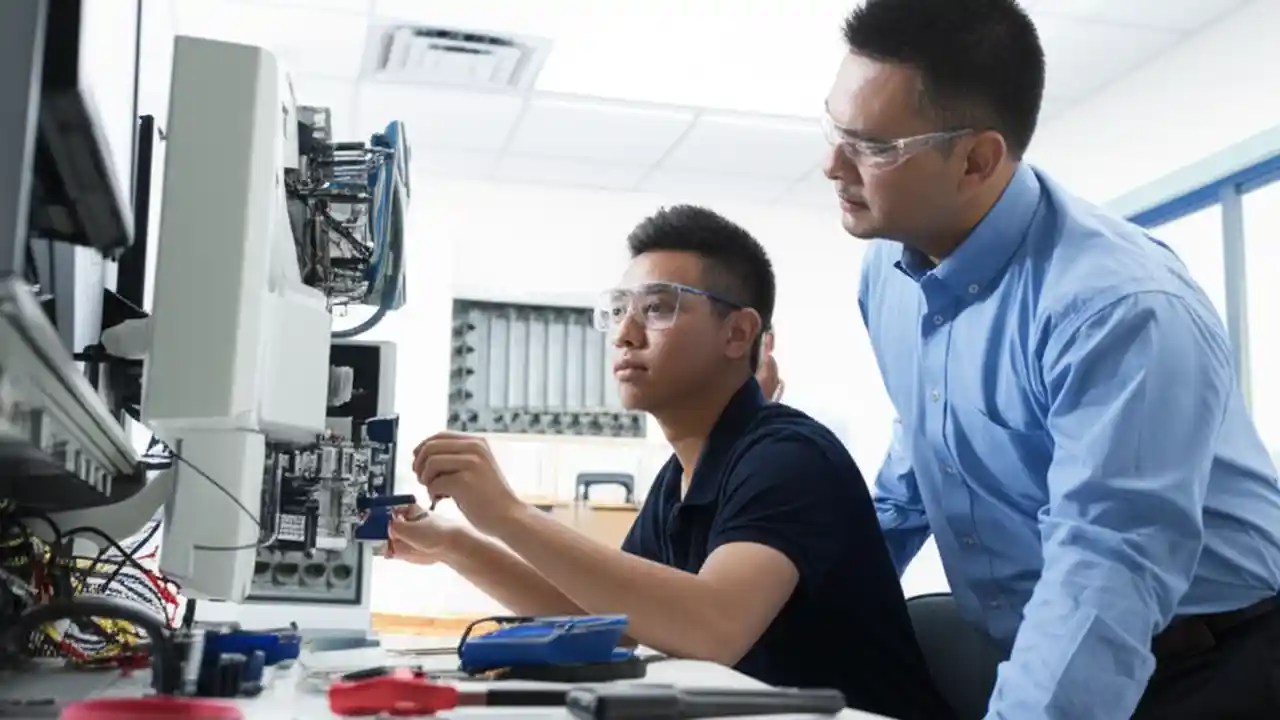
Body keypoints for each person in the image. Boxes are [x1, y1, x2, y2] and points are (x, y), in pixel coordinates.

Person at [824, 0, 1280, 718]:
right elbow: (917, 464)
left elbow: (1107, 566)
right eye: (835, 130)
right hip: (1049, 645)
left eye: (873, 148)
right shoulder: (888, 273)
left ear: (976, 159)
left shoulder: (1116, 306)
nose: (832, 166)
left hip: (1211, 661)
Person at [386, 205, 949, 719]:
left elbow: (711, 627)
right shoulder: (683, 475)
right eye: (619, 311)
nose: (625, 336)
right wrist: (455, 544)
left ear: (738, 333)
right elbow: (606, 620)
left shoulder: (790, 458)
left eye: (657, 308)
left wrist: (508, 513)